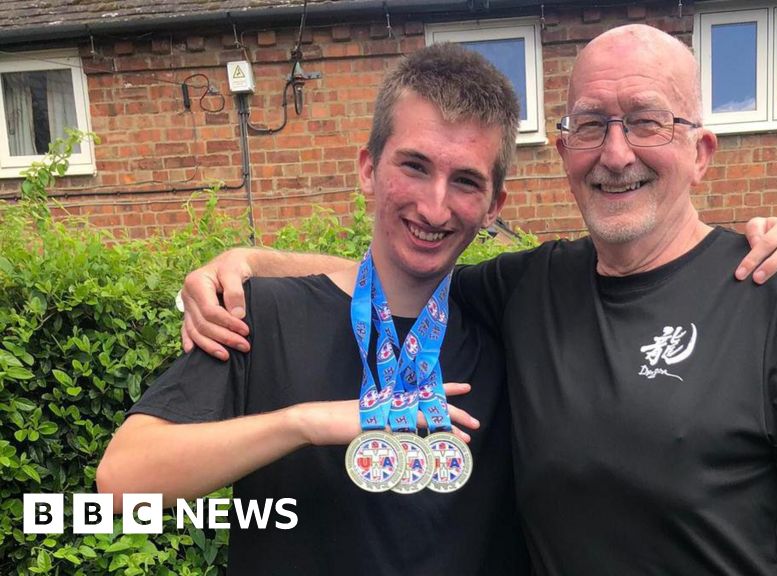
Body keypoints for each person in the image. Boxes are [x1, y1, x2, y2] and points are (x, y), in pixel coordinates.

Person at [177, 27, 777, 575]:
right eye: (589, 125)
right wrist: (248, 261)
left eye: (645, 121)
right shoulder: (530, 288)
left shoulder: (773, 292)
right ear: (562, 150)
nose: (615, 153)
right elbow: (404, 267)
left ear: (700, 151)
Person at [98, 43, 531, 575]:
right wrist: (304, 423)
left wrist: (258, 254)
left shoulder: (513, 320)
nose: (434, 206)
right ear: (368, 169)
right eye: (414, 166)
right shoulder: (263, 313)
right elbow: (120, 482)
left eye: (465, 180)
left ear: (494, 206)